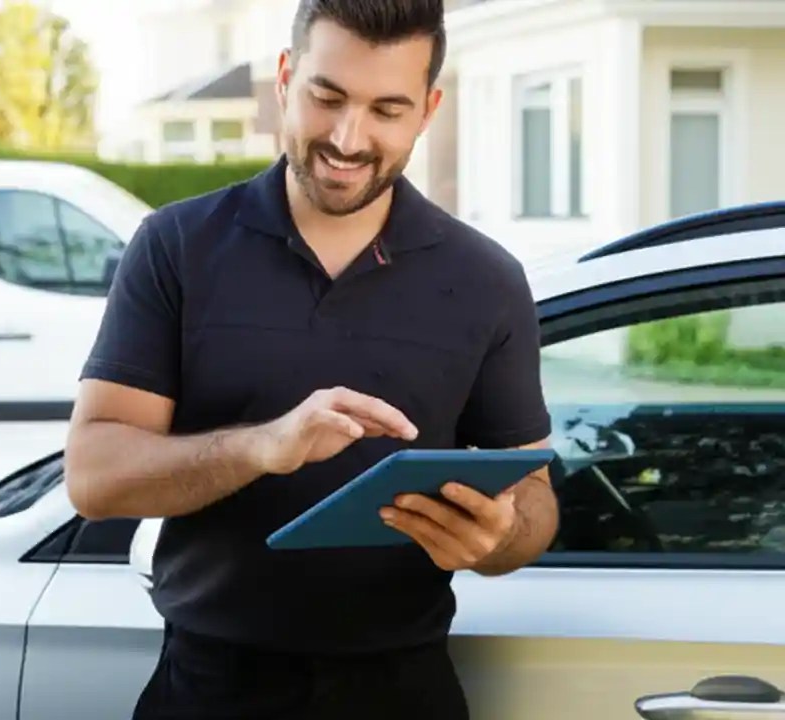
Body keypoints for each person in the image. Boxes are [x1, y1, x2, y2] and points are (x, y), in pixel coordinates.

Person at [64, 0, 559, 717]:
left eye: (387, 110)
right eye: (328, 98)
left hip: (404, 691)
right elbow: (94, 476)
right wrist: (263, 447)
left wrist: (498, 538)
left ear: (428, 109)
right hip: (210, 687)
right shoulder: (176, 246)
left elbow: (536, 497)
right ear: (287, 78)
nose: (348, 138)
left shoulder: (487, 278)